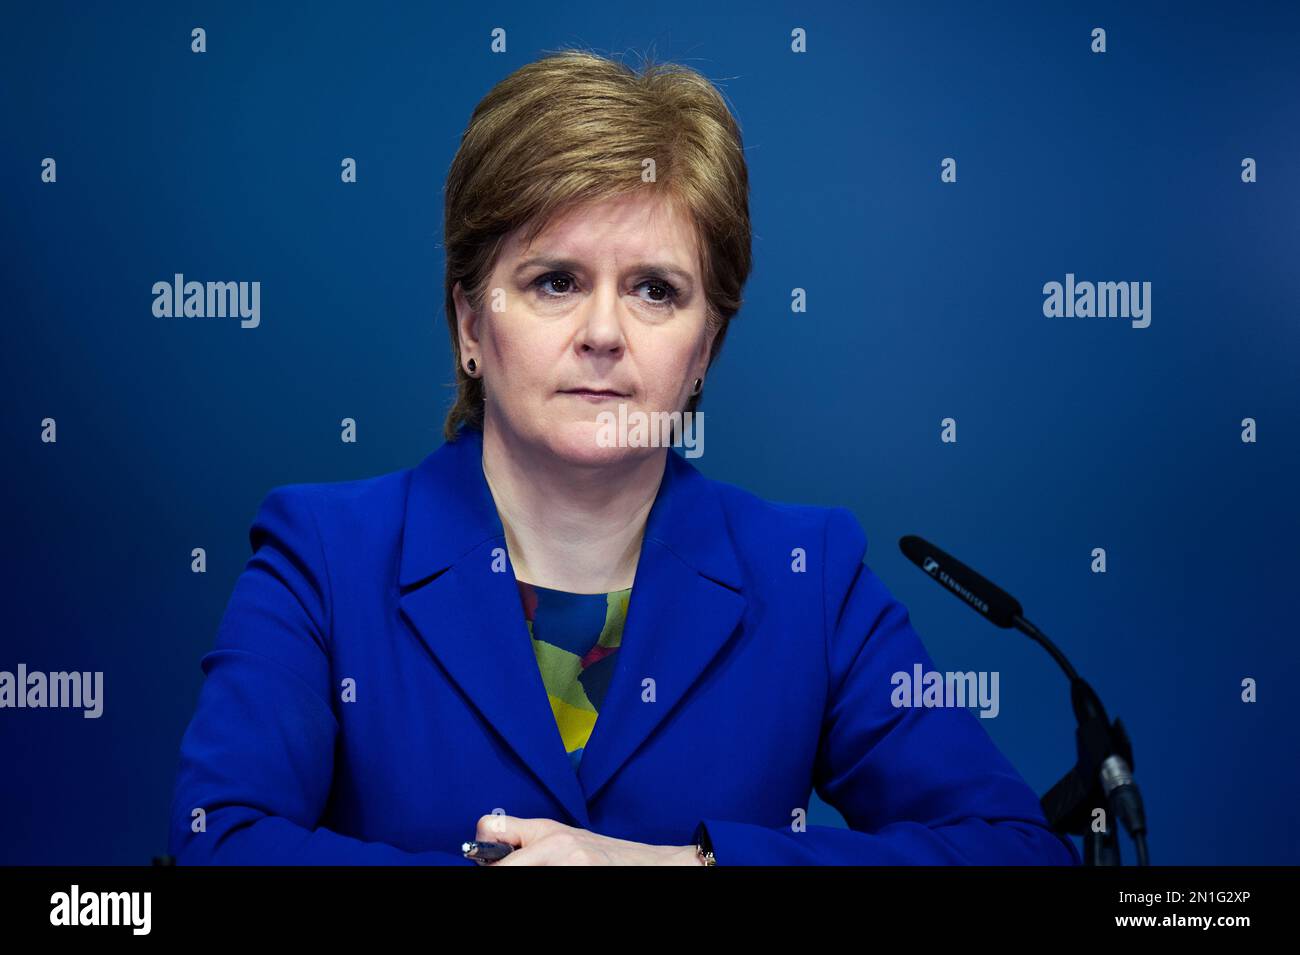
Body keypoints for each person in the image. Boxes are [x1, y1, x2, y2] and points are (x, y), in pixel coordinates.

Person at [167, 49, 1080, 866]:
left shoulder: (812, 575)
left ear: (706, 345)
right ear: (470, 323)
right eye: (555, 281)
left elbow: (1014, 853)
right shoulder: (323, 554)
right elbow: (221, 846)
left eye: (654, 289)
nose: (603, 332)